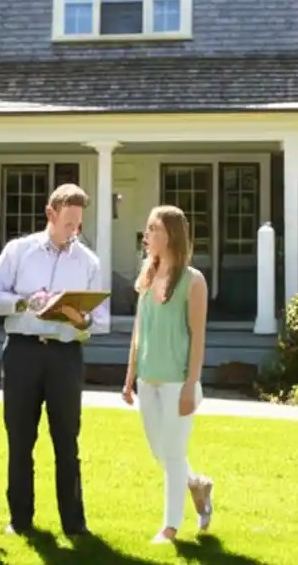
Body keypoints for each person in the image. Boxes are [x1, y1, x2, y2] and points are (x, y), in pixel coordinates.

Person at [0, 183, 110, 537]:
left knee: (67, 441)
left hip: (65, 357)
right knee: (20, 440)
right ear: (50, 215)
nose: (74, 231)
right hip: (22, 353)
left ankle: (74, 524)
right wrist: (24, 303)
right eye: (68, 223)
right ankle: (20, 521)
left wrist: (80, 319)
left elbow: (101, 321)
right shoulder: (18, 251)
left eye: (78, 224)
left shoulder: (89, 262)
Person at [122, 204, 214, 544]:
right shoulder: (147, 276)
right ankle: (197, 484)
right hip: (147, 378)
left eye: (153, 229)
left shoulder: (193, 281)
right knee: (160, 451)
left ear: (171, 235)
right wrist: (130, 376)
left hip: (178, 381)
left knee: (173, 454)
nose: (146, 235)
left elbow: (198, 337)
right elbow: (139, 329)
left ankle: (170, 527)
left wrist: (191, 384)